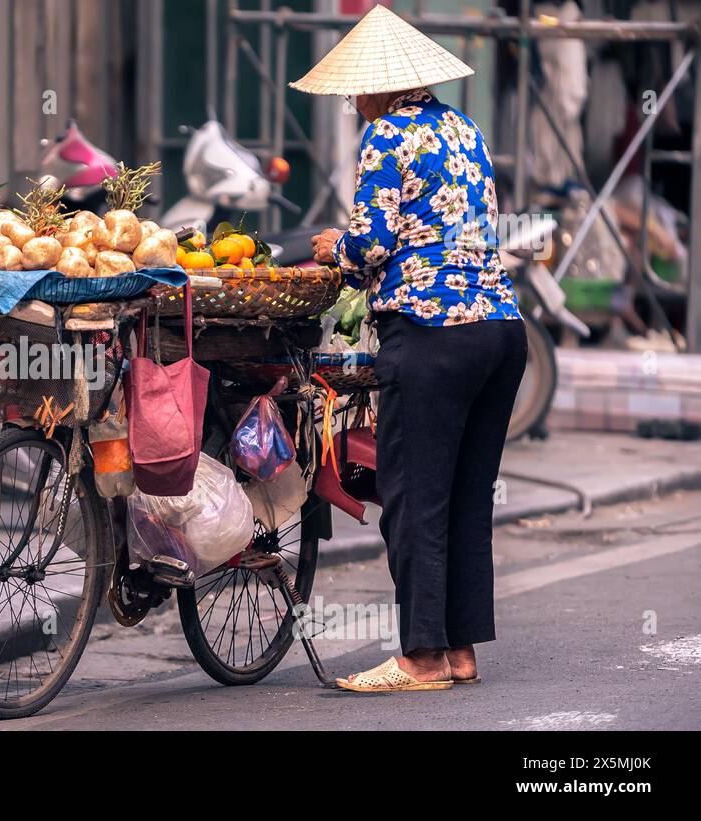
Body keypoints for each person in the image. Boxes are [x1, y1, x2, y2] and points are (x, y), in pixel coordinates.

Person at [292, 6, 528, 692]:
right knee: (464, 495)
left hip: (432, 334)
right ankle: (459, 651)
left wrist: (337, 245)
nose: (351, 107)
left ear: (373, 88)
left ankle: (421, 658)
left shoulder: (385, 135)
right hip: (500, 332)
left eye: (352, 97)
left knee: (415, 493)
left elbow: (373, 242)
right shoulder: (465, 128)